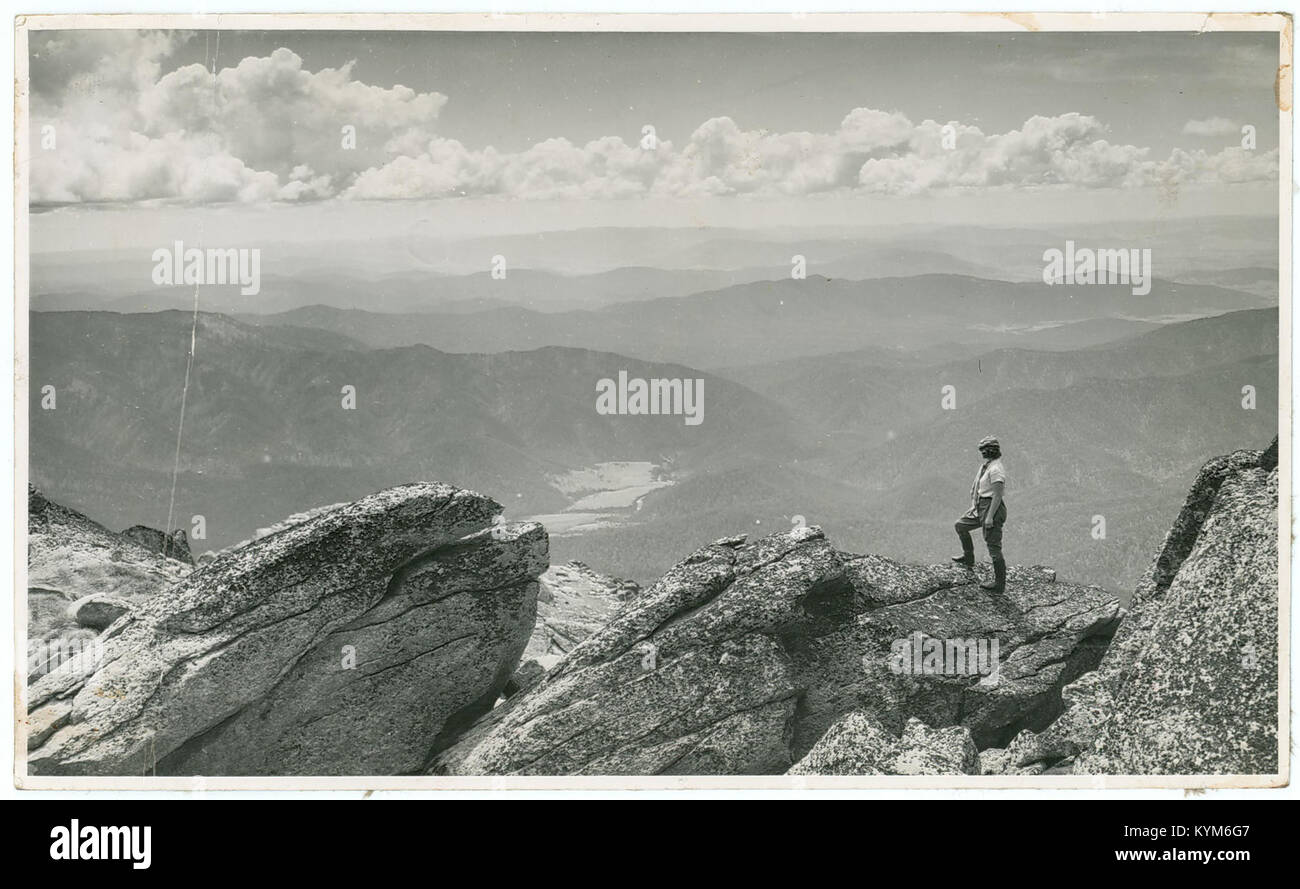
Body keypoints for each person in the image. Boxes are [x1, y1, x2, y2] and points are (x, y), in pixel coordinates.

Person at [952, 435, 1007, 593]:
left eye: (984, 449)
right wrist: (974, 505)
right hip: (981, 505)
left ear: (991, 450)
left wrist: (990, 516)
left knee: (993, 547)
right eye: (981, 449)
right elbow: (980, 488)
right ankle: (968, 557)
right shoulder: (988, 465)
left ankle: (999, 584)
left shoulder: (996, 469)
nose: (982, 452)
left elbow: (997, 495)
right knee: (961, 526)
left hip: (991, 508)